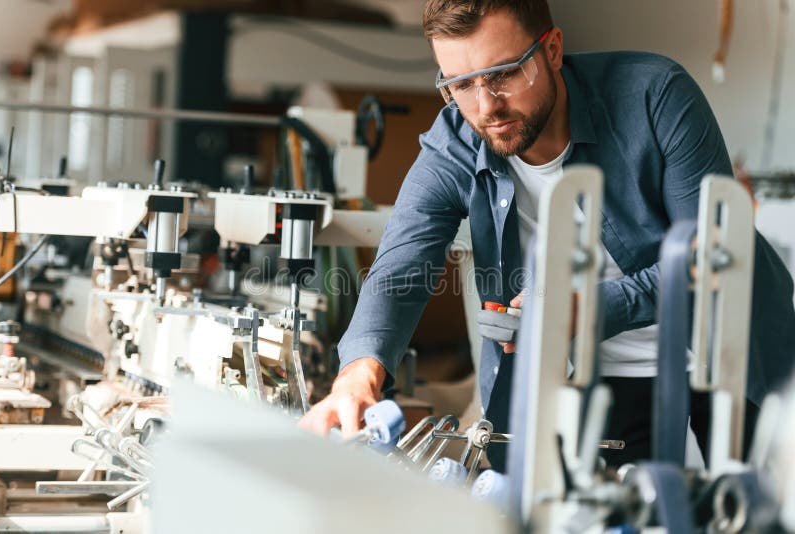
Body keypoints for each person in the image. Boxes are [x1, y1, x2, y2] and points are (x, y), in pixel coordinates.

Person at [299, 0, 795, 470]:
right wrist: (359, 372)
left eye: (503, 74)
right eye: (460, 84)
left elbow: (712, 256)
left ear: (552, 49)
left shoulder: (655, 94)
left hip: (728, 354)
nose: (485, 105)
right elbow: (401, 265)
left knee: (757, 510)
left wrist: (588, 307)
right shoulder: (456, 138)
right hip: (599, 378)